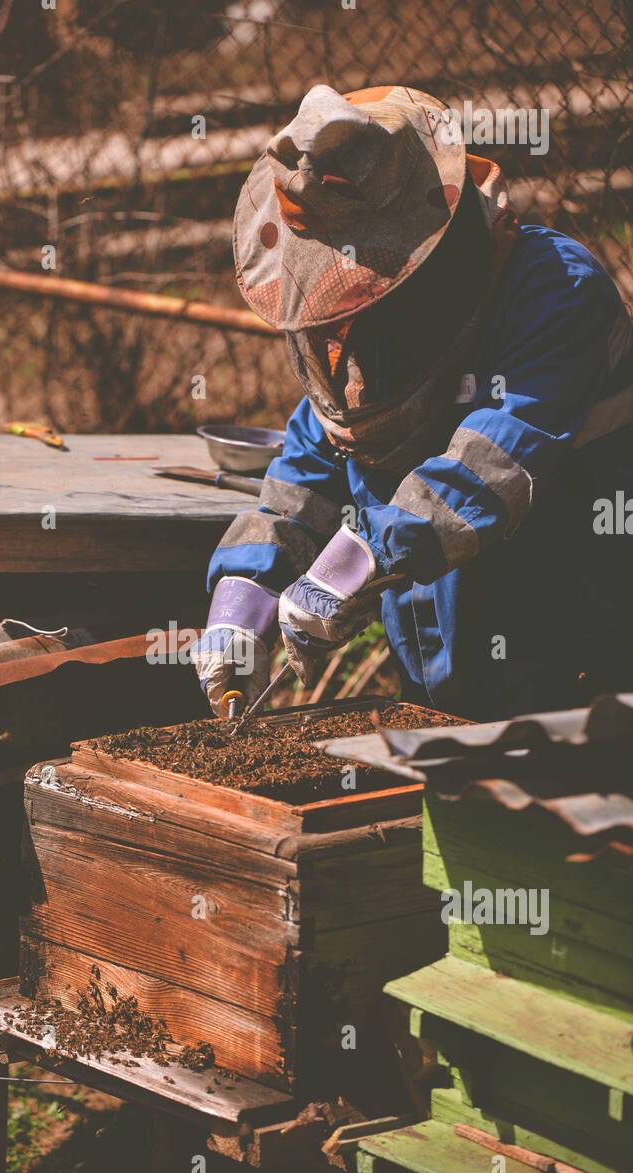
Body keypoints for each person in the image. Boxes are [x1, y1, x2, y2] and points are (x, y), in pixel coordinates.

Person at [191, 85, 633, 722]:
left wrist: (356, 561)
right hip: (439, 672)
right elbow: (314, 458)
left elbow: (490, 469)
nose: (344, 280)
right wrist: (244, 591)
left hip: (586, 666)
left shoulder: (556, 291)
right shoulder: (365, 329)